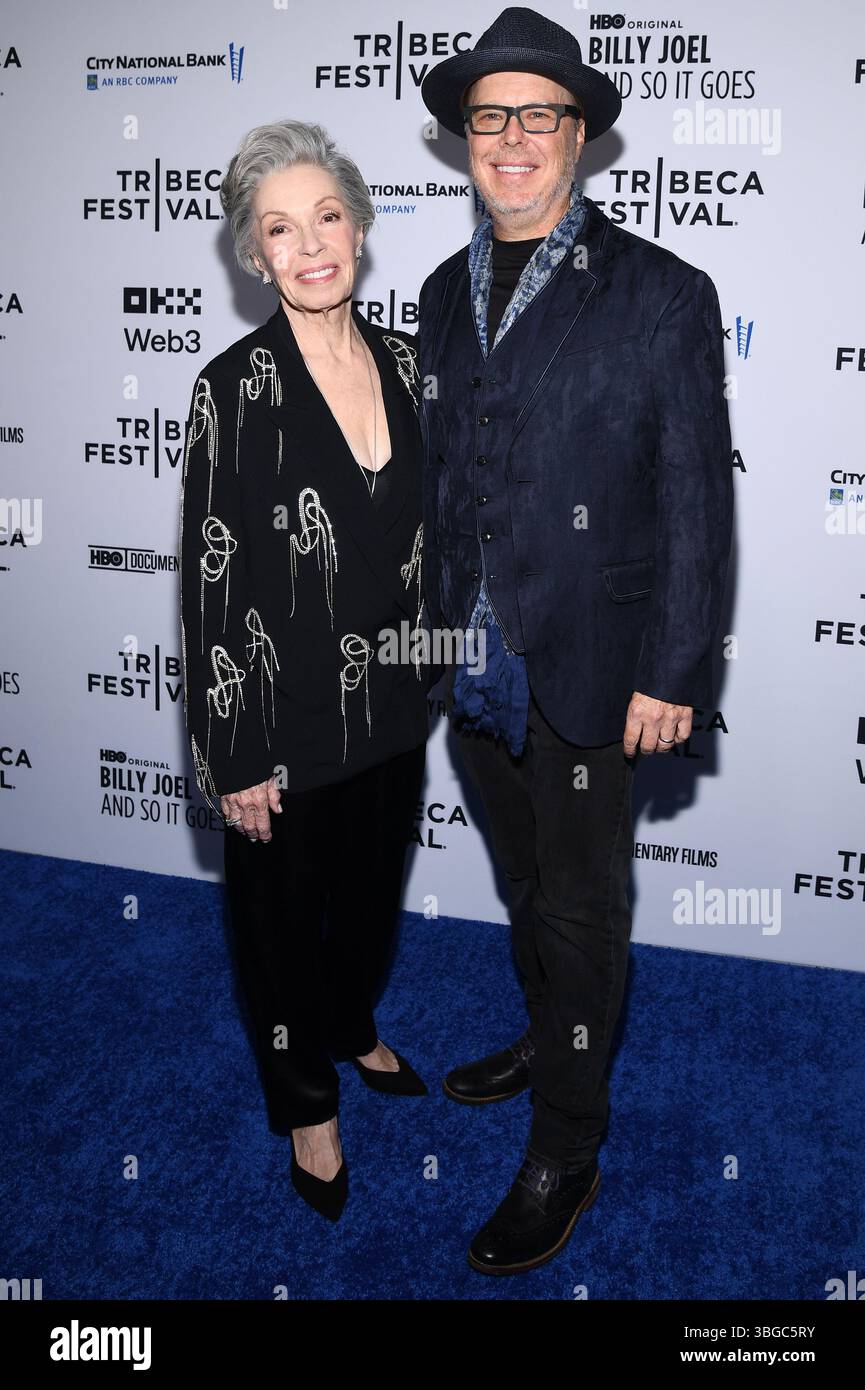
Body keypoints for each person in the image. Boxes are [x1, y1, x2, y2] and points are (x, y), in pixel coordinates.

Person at [418, 7, 734, 1274]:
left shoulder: (662, 293)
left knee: (585, 904)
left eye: (538, 116)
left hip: (599, 662)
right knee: (525, 884)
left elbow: (697, 493)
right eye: (491, 116)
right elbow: (441, 479)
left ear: (580, 136)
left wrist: (675, 667)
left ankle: (570, 1140)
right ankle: (554, 1035)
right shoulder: (443, 291)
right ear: (465, 138)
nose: (512, 139)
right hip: (472, 663)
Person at [178, 120, 431, 1224]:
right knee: (276, 924)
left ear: (361, 228)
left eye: (326, 216)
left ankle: (352, 1019)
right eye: (279, 229)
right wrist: (233, 749)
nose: (310, 244)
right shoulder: (231, 391)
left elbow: (436, 544)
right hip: (279, 717)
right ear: (255, 257)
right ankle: (307, 1103)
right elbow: (210, 579)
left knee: (371, 900)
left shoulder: (414, 364)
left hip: (393, 703)